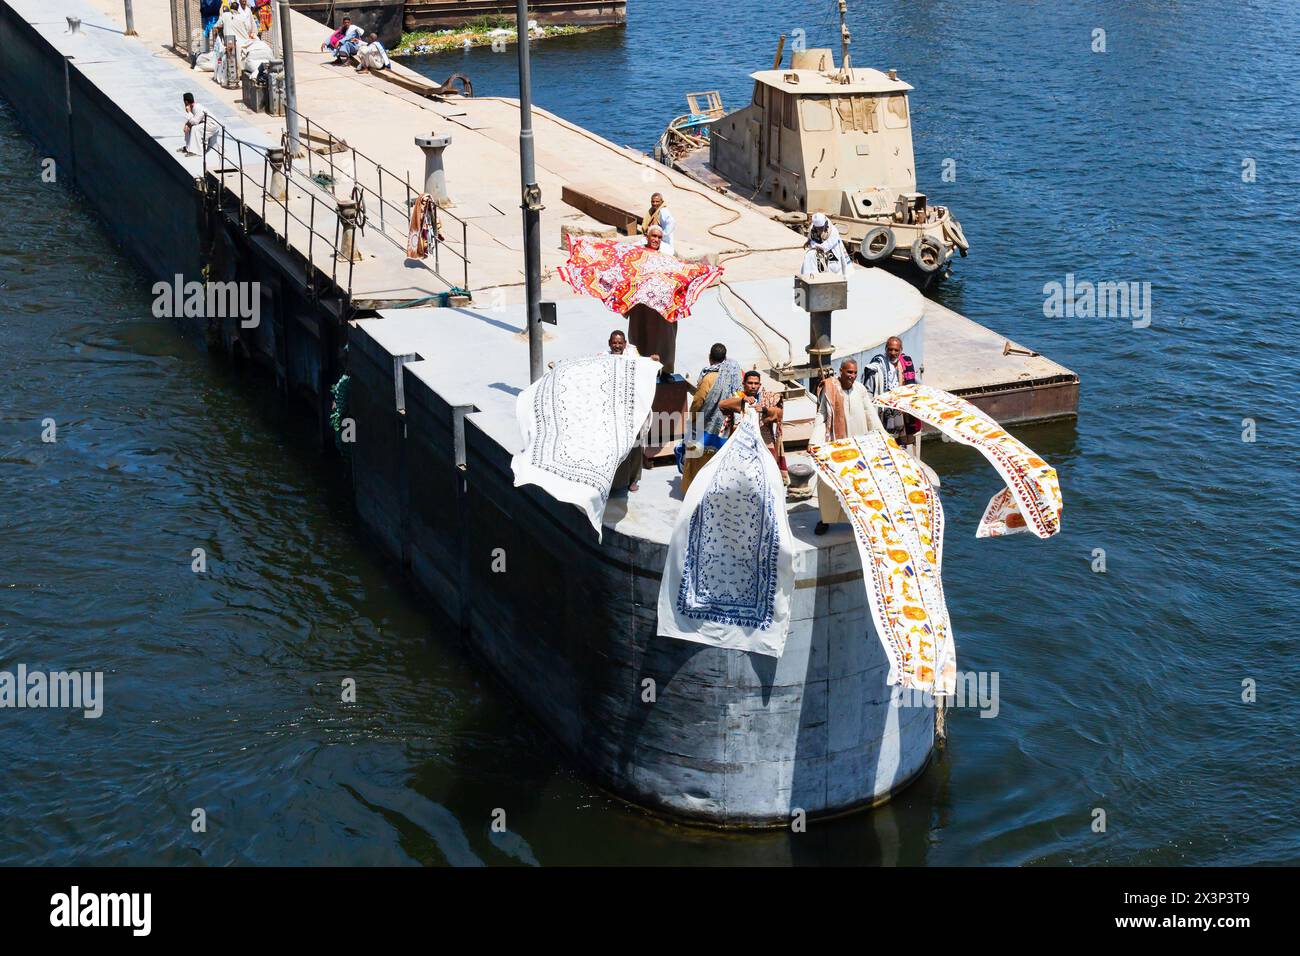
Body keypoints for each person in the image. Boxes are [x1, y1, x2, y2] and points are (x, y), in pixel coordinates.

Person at [811, 358, 888, 534]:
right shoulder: (830, 389)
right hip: (836, 445)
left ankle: (859, 520)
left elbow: (870, 413)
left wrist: (883, 435)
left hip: (858, 446)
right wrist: (814, 441)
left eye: (854, 372)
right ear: (841, 371)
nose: (852, 376)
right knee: (828, 482)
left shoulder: (860, 389)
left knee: (858, 483)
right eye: (849, 372)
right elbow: (822, 415)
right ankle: (825, 519)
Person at [678, 344, 742, 493]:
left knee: (694, 460)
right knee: (718, 459)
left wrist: (692, 419)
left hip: (703, 424)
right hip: (724, 425)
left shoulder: (708, 377)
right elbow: (738, 395)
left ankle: (692, 491)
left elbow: (698, 401)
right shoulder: (733, 372)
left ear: (709, 357)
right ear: (725, 358)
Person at [720, 370, 786, 481]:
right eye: (750, 383)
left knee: (768, 472)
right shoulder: (738, 396)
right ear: (743, 384)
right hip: (740, 441)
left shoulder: (767, 397)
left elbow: (779, 413)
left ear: (760, 385)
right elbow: (722, 405)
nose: (753, 386)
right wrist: (742, 400)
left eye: (756, 384)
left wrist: (765, 410)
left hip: (763, 439)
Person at [864, 336, 922, 452]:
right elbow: (869, 391)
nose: (893, 353)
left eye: (896, 350)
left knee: (901, 439)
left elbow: (913, 385)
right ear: (886, 349)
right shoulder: (877, 367)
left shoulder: (905, 364)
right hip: (882, 410)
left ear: (900, 351)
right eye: (890, 349)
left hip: (901, 409)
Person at [178, 93, 214, 157]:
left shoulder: (197, 108)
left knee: (195, 128)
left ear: (186, 102)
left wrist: (188, 112)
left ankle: (197, 152)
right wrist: (187, 124)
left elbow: (195, 122)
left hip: (211, 125)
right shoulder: (193, 107)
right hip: (204, 123)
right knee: (189, 126)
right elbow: (194, 119)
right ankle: (188, 147)